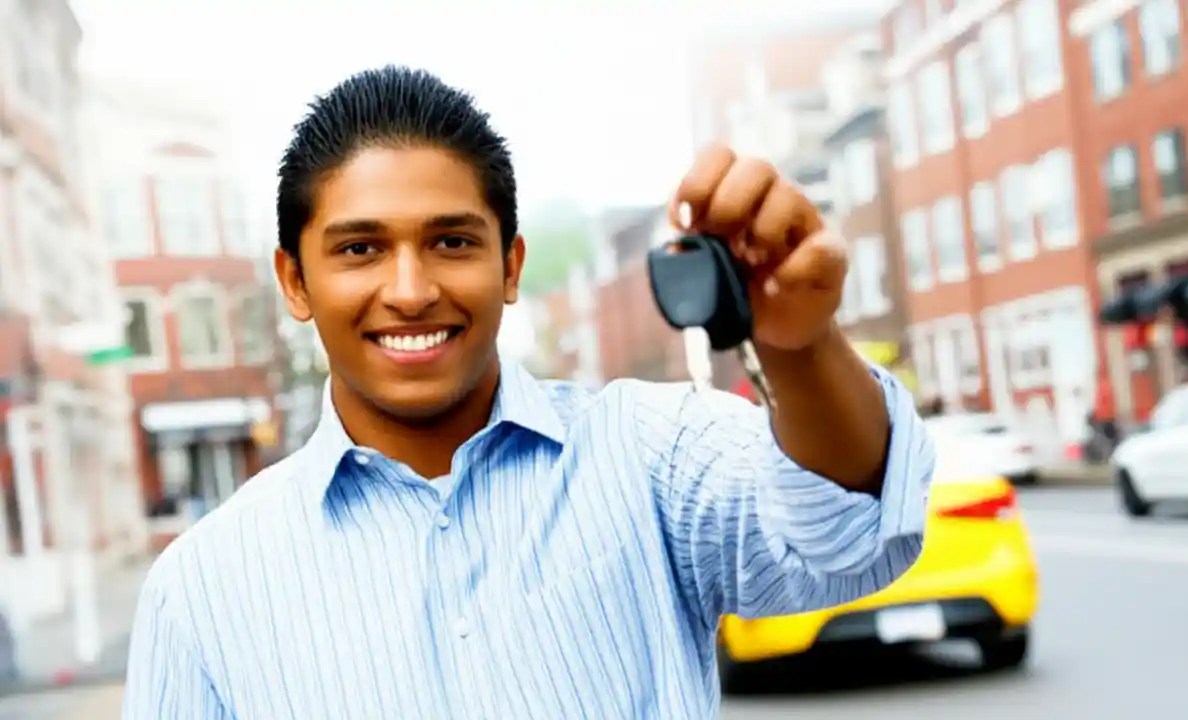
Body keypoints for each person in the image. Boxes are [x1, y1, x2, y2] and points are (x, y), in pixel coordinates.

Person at [120, 65, 934, 720]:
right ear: (294, 280)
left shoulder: (649, 454)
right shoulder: (203, 588)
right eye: (361, 249)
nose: (410, 290)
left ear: (510, 266)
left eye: (451, 241)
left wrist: (799, 348)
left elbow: (845, 536)